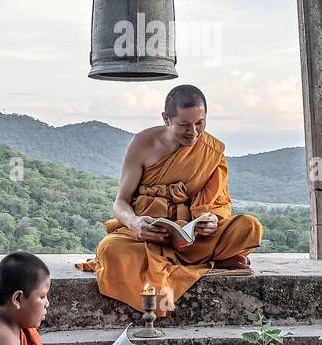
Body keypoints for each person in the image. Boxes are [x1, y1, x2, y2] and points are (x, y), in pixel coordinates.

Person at [77, 84, 263, 314]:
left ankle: (191, 258)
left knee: (249, 227)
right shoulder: (142, 144)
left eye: (199, 123)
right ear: (166, 119)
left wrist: (212, 219)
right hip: (148, 235)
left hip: (190, 236)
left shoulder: (211, 151)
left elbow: (218, 203)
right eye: (184, 125)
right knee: (110, 249)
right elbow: (121, 202)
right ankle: (202, 261)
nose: (193, 132)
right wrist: (135, 224)